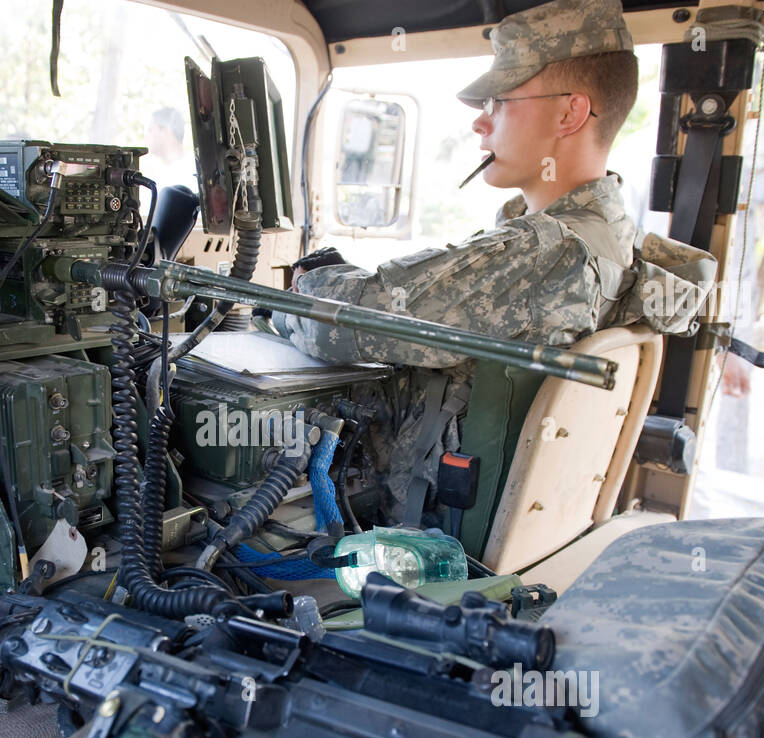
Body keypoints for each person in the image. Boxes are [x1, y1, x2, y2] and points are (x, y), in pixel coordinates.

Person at [275, 0, 717, 525]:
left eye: (500, 102)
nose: (480, 124)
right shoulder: (612, 239)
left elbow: (337, 325)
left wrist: (300, 287)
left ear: (569, 113)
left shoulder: (545, 251)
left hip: (418, 533)